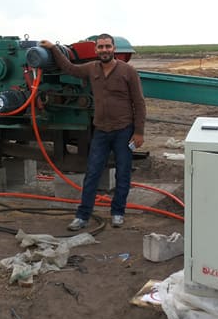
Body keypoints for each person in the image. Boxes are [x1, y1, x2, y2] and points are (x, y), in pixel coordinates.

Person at [39, 34, 146, 230]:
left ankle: (118, 212)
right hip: (101, 131)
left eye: (107, 46)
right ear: (96, 50)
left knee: (123, 173)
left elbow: (139, 102)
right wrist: (54, 48)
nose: (104, 50)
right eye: (101, 47)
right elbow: (69, 68)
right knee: (92, 173)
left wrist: (138, 132)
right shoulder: (91, 68)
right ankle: (82, 216)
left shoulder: (127, 71)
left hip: (124, 131)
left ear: (114, 49)